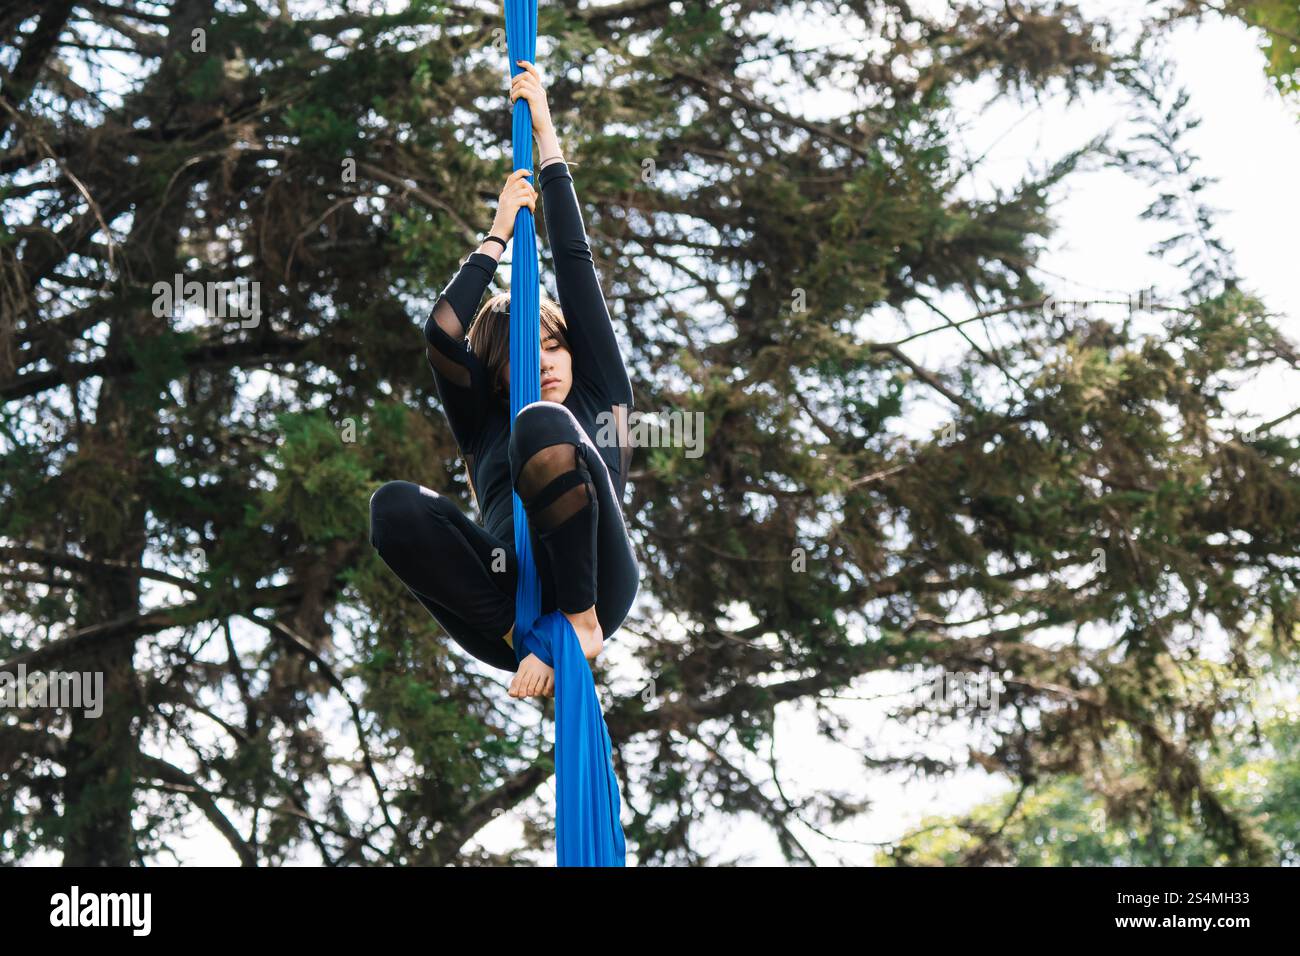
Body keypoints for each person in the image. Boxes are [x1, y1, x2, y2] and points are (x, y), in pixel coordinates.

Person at [369, 61, 639, 701]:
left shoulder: (598, 397)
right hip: (502, 605)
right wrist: (496, 235)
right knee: (393, 506)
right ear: (496, 376)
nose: (547, 362)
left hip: (597, 584)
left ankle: (574, 625)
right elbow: (441, 335)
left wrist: (547, 138)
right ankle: (531, 639)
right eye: (527, 354)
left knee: (543, 426)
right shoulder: (482, 423)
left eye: (554, 347)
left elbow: (575, 265)